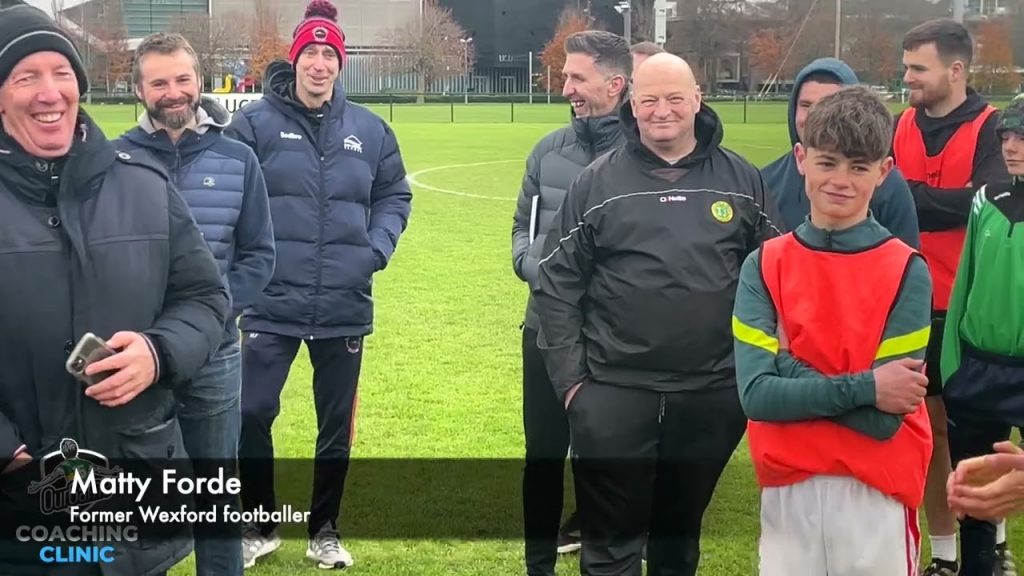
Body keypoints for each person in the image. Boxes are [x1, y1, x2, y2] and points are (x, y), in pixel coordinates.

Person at [532, 52, 783, 576]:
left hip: (710, 394)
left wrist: (750, 373)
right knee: (611, 545)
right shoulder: (597, 183)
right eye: (648, 100)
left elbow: (779, 277)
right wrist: (574, 386)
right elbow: (556, 282)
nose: (661, 111)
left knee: (678, 538)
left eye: (674, 98)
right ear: (632, 104)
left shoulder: (741, 180)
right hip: (614, 390)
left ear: (697, 99)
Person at [0, 5, 229, 576]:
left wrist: (158, 352)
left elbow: (206, 299)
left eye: (62, 73)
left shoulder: (144, 184)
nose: (49, 93)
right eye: (26, 77)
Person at [225, 0, 412, 569]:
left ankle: (324, 531)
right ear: (296, 58)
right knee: (251, 413)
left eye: (330, 55)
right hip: (271, 299)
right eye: (311, 52)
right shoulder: (253, 124)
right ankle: (259, 526)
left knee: (335, 429)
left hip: (342, 302)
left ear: (340, 64)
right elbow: (226, 191)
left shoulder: (370, 130)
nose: (320, 64)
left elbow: (394, 194)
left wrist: (374, 251)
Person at [733, 85, 933, 575]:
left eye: (859, 167)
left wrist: (787, 365)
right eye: (827, 162)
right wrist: (867, 387)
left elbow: (884, 422)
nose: (841, 181)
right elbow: (757, 396)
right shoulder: (765, 264)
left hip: (875, 494)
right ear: (801, 159)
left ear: (884, 171)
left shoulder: (906, 270)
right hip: (788, 491)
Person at [115, 32, 276, 576]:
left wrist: (211, 318)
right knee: (140, 496)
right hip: (138, 357)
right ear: (139, 90)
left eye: (183, 79)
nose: (173, 92)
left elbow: (259, 255)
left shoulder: (239, 159)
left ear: (199, 81)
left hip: (214, 355)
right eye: (159, 82)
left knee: (214, 491)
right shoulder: (114, 160)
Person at [892, 18, 1009, 576]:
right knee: (928, 429)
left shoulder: (992, 126)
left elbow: (984, 201)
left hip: (970, 307)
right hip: (910, 301)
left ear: (956, 70)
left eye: (918, 68)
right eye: (907, 66)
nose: (907, 78)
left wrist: (912, 196)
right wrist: (944, 199)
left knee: (976, 434)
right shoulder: (902, 124)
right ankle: (943, 554)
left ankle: (992, 543)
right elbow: (885, 194)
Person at [512, 30, 630, 576]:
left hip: (611, 337)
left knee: (603, 460)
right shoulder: (547, 152)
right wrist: (534, 269)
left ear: (616, 83)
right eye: (565, 77)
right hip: (543, 330)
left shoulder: (641, 159)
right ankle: (538, 566)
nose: (566, 89)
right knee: (542, 456)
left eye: (577, 78)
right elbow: (522, 228)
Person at [938, 94, 1024, 576]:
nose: (1011, 146)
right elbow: (964, 283)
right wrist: (953, 368)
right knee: (973, 498)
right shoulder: (986, 200)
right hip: (977, 371)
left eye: (1022, 137)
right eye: (1006, 136)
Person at [760, 57, 919, 247]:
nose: (816, 116)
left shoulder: (890, 186)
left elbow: (903, 255)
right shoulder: (765, 182)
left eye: (828, 105)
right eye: (806, 106)